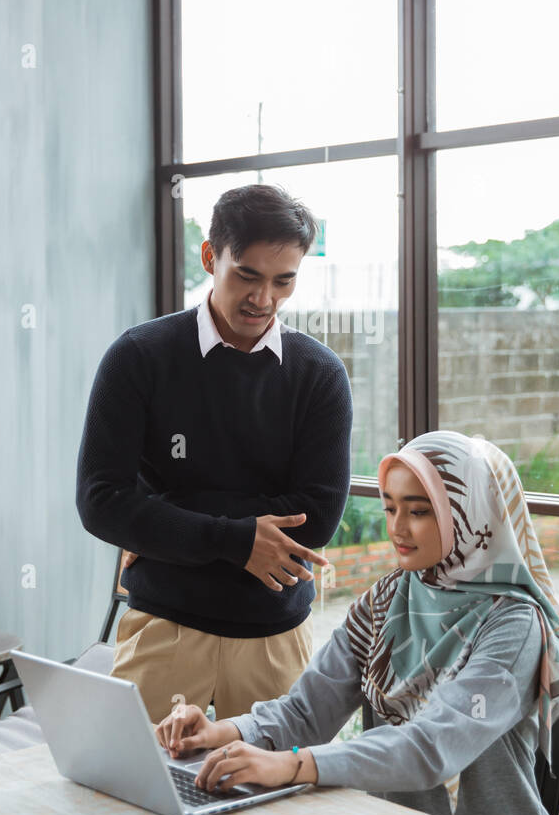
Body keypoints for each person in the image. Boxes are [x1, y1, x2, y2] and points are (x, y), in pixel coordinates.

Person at [157, 431, 559, 815]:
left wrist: (293, 765)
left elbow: (431, 747)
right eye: (390, 507)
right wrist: (220, 732)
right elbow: (306, 711)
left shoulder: (515, 623)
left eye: (419, 511)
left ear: (466, 513)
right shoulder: (388, 600)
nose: (397, 527)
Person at [74, 183, 353, 727]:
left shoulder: (319, 375)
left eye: (283, 280)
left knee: (279, 807)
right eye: (247, 275)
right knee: (135, 797)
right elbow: (101, 501)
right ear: (210, 256)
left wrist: (168, 516)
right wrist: (240, 539)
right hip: (163, 630)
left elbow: (314, 519)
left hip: (275, 639)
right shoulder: (139, 356)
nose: (263, 299)